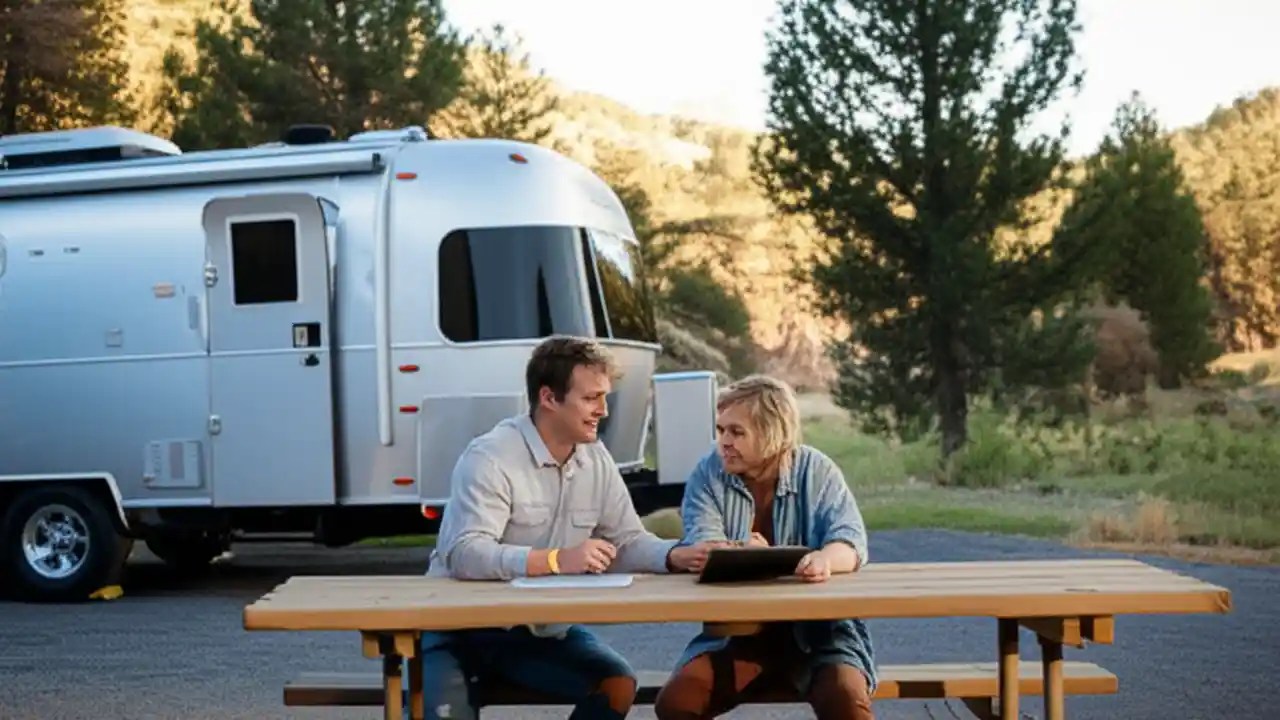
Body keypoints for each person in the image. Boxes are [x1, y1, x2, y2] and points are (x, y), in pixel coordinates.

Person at [417, 335, 718, 720]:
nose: (603, 411)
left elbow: (625, 541)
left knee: (616, 684)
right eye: (591, 398)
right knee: (444, 713)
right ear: (548, 398)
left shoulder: (596, 458)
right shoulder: (490, 456)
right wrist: (557, 560)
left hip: (535, 635)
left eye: (604, 397)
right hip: (456, 630)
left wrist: (675, 555)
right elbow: (464, 554)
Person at [653, 375, 877, 720]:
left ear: (773, 433)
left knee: (846, 701)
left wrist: (823, 559)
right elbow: (704, 549)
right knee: (676, 702)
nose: (724, 441)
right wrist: (742, 553)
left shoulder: (817, 471)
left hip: (820, 636)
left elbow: (851, 542)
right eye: (721, 429)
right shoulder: (708, 473)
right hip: (737, 635)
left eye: (737, 432)